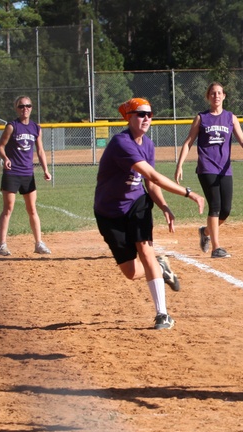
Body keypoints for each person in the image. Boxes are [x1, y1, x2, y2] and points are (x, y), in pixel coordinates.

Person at [94, 97, 206, 330]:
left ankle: (162, 314)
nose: (146, 118)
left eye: (149, 114)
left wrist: (164, 206)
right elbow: (154, 176)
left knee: (145, 250)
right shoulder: (121, 143)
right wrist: (189, 192)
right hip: (109, 212)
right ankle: (161, 266)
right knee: (131, 271)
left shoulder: (148, 145)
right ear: (129, 117)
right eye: (140, 114)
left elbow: (150, 183)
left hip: (137, 203)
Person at [174, 82, 243, 258]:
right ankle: (216, 248)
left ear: (224, 96)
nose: (216, 96)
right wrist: (180, 164)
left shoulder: (230, 118)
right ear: (208, 97)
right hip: (207, 167)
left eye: (219, 93)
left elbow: (242, 140)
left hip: (224, 168)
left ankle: (205, 232)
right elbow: (189, 141)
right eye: (213, 93)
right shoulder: (201, 118)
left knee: (226, 210)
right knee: (215, 206)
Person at [0, 96, 53, 256]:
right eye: (21, 106)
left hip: (28, 173)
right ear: (16, 108)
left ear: (31, 108)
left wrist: (45, 170)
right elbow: (0, 146)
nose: (25, 108)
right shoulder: (12, 126)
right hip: (12, 173)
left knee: (32, 209)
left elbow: (40, 150)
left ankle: (39, 243)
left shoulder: (36, 128)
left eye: (28, 106)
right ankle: (2, 245)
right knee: (8, 209)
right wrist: (5, 158)